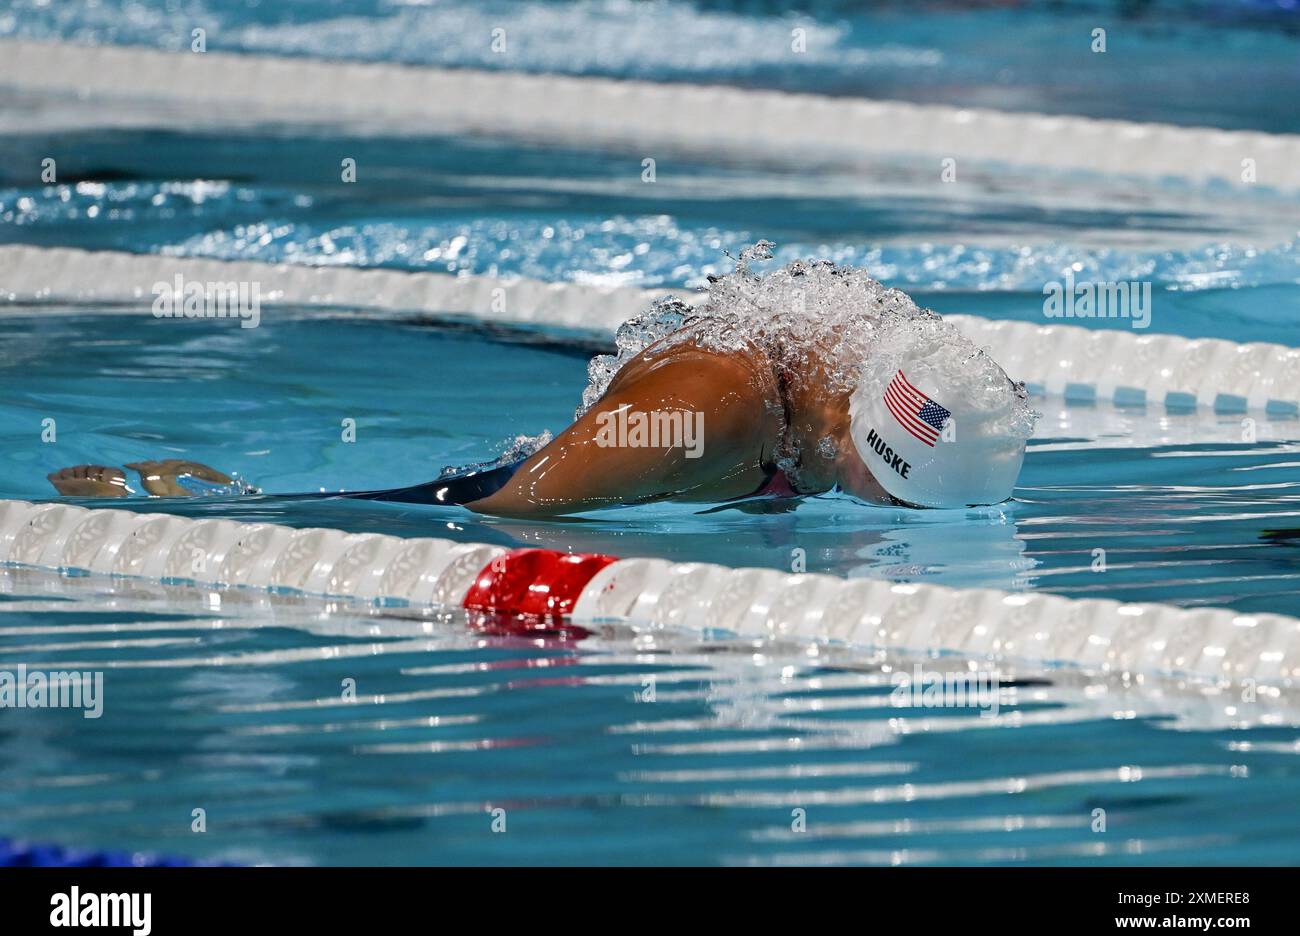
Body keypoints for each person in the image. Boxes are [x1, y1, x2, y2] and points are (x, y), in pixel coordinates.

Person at [47, 314, 1033, 516]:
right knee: (468, 494)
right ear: (868, 454)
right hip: (477, 494)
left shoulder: (878, 369)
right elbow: (513, 501)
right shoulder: (709, 416)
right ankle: (181, 499)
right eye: (904, 505)